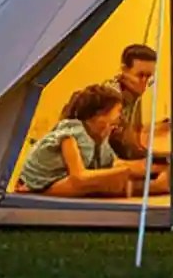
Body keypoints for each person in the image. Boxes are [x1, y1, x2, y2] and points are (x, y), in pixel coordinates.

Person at [17, 84, 148, 198]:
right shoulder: (71, 135)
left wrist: (147, 167)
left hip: (62, 181)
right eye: (118, 111)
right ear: (99, 114)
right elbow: (78, 177)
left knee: (112, 180)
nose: (120, 117)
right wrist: (121, 172)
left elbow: (114, 163)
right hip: (40, 185)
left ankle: (150, 185)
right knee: (101, 183)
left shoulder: (99, 138)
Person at [103, 44, 159, 162]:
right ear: (124, 70)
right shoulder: (109, 98)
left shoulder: (133, 95)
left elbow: (132, 143)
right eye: (140, 75)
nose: (145, 82)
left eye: (149, 76)